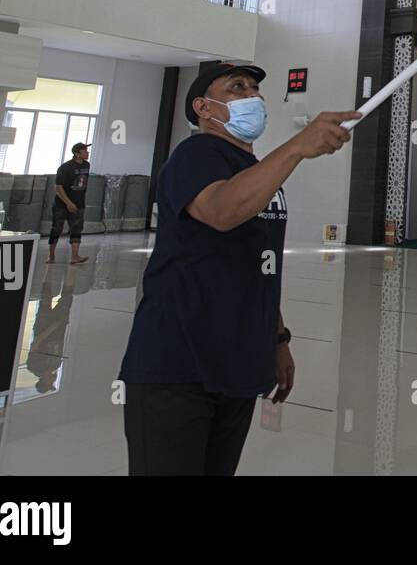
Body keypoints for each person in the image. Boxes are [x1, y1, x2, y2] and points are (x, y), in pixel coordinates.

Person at [118, 61, 359, 476]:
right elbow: (221, 211)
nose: (253, 95)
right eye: (237, 87)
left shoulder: (256, 171)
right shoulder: (195, 154)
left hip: (236, 365)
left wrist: (277, 339)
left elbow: (259, 263)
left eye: (255, 88)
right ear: (204, 107)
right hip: (177, 366)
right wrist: (298, 145)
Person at [50, 143, 90, 265]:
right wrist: (68, 203)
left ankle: (75, 256)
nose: (87, 153)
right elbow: (58, 187)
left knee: (76, 229)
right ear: (77, 154)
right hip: (61, 205)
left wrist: (76, 203)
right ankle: (51, 256)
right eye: (84, 151)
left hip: (79, 204)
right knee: (57, 229)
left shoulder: (86, 165)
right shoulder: (65, 167)